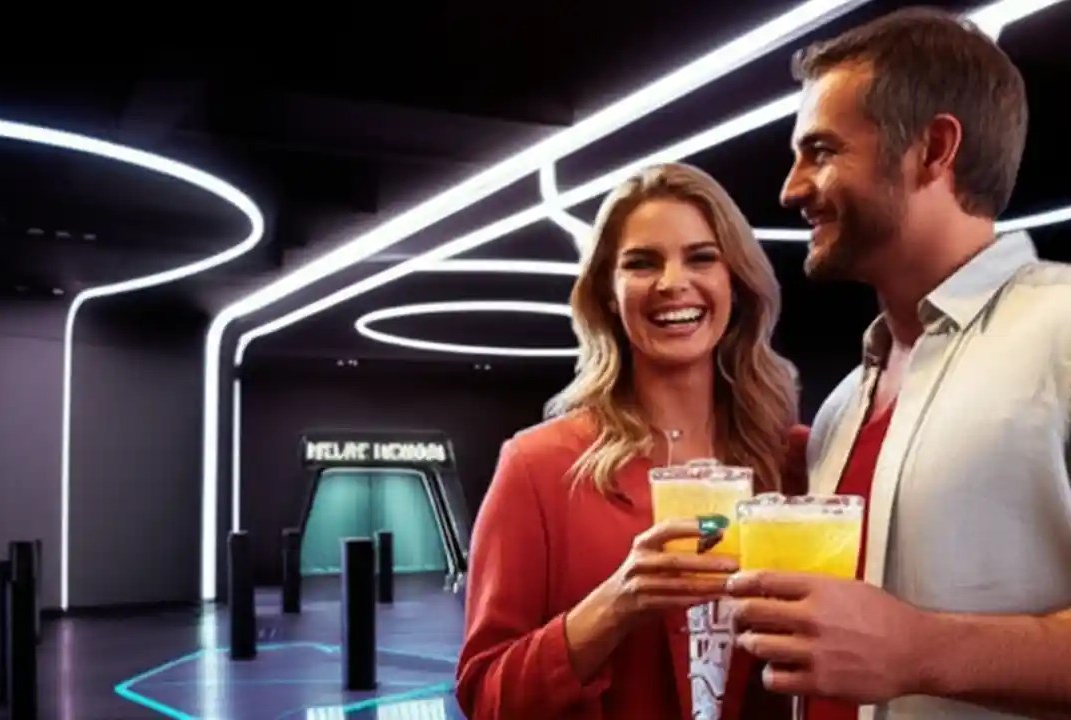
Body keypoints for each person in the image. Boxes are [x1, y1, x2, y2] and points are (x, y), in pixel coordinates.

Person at [727, 8, 1071, 720]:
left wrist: (922, 651)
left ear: (934, 149)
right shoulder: (839, 406)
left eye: (821, 151)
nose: (791, 188)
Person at [455, 161, 806, 720]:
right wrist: (616, 602)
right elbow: (486, 696)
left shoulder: (794, 461)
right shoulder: (539, 467)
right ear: (608, 296)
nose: (672, 282)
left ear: (736, 284)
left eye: (702, 257)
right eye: (642, 263)